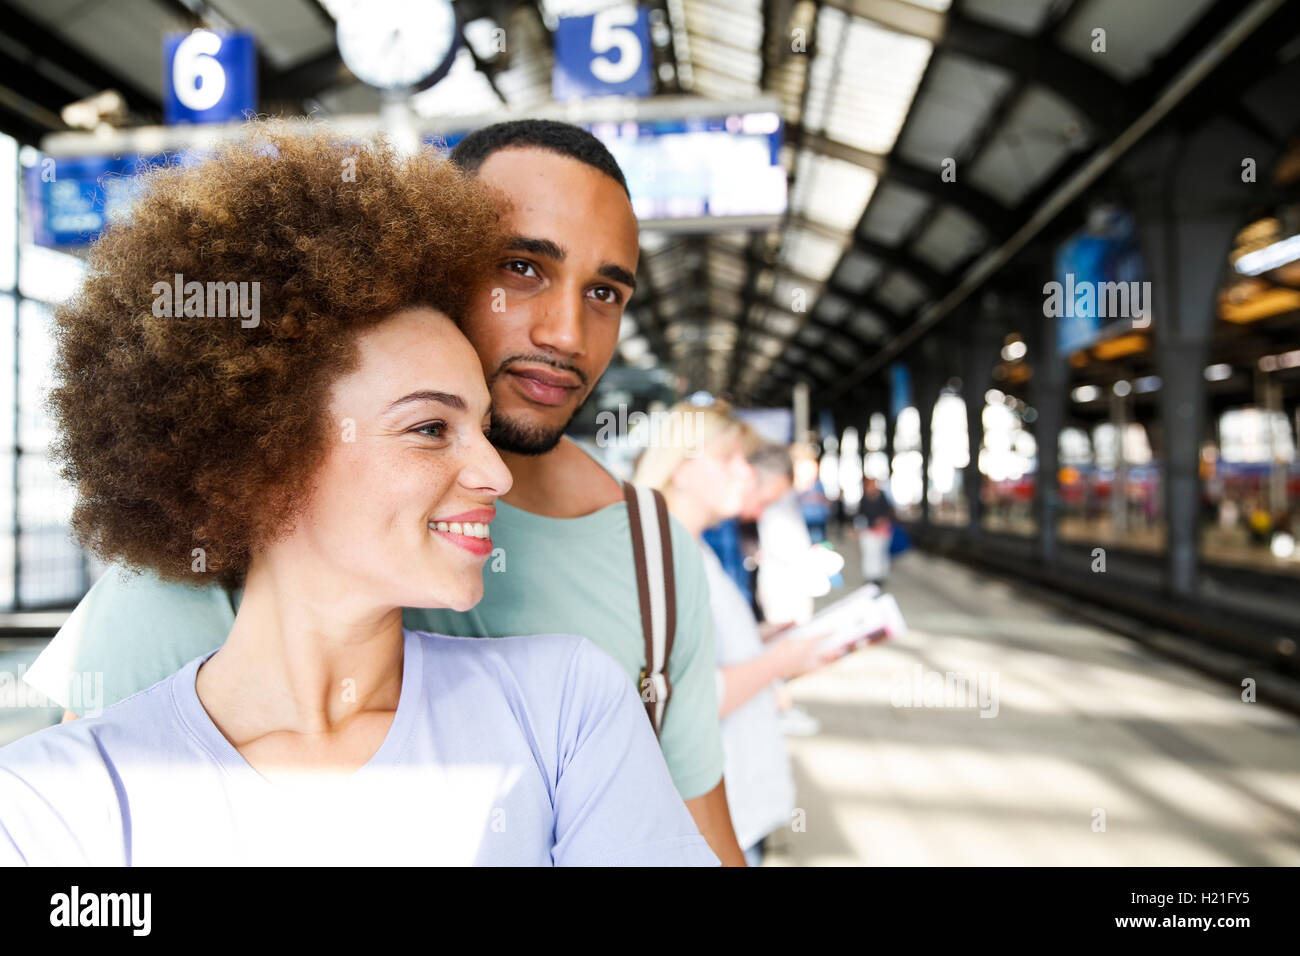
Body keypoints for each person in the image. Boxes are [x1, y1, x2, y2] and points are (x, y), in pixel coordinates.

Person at [24, 118, 745, 865]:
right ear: (433, 262)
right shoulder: (204, 560)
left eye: (604, 291)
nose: (567, 333)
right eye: (521, 268)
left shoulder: (647, 561)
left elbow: (704, 837)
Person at [635, 403, 844, 866]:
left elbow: (703, 656)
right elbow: (688, 696)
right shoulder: (664, 560)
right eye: (729, 458)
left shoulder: (690, 549)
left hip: (729, 806)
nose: (746, 474)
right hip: (710, 818)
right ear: (683, 467)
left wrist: (766, 639)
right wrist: (780, 662)